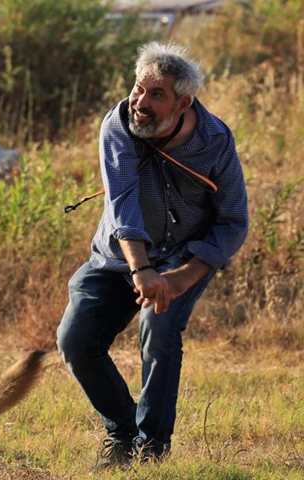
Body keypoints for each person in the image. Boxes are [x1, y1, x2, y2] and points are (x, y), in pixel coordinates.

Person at [56, 42, 249, 468]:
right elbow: (122, 201)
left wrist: (183, 276)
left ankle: (150, 450)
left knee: (159, 328)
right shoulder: (119, 124)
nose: (140, 102)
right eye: (138, 89)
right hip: (118, 254)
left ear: (184, 102)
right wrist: (141, 267)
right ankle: (123, 433)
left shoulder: (214, 141)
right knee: (74, 340)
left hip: (183, 256)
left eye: (155, 95)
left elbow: (233, 221)